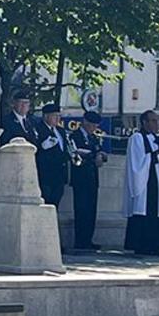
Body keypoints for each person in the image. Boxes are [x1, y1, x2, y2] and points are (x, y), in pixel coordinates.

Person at [123, 110, 159, 255]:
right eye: (153, 121)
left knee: (158, 209)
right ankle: (143, 246)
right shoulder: (137, 138)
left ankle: (157, 245)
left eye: (157, 120)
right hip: (145, 182)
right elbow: (138, 161)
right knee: (146, 209)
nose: (156, 124)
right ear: (144, 123)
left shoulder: (155, 138)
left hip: (157, 179)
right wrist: (158, 153)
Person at [69, 111, 107, 251]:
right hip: (81, 179)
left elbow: (100, 151)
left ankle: (88, 239)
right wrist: (93, 155)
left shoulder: (94, 138)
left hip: (92, 178)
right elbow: (75, 153)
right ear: (85, 122)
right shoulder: (75, 136)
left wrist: (101, 155)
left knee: (91, 211)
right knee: (82, 210)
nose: (93, 128)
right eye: (91, 125)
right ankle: (81, 241)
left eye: (95, 125)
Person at [35, 102, 70, 208]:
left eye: (59, 116)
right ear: (46, 116)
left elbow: (64, 149)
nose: (58, 119)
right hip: (46, 174)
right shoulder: (39, 129)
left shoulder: (60, 131)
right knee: (47, 201)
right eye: (55, 116)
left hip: (59, 174)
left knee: (56, 201)